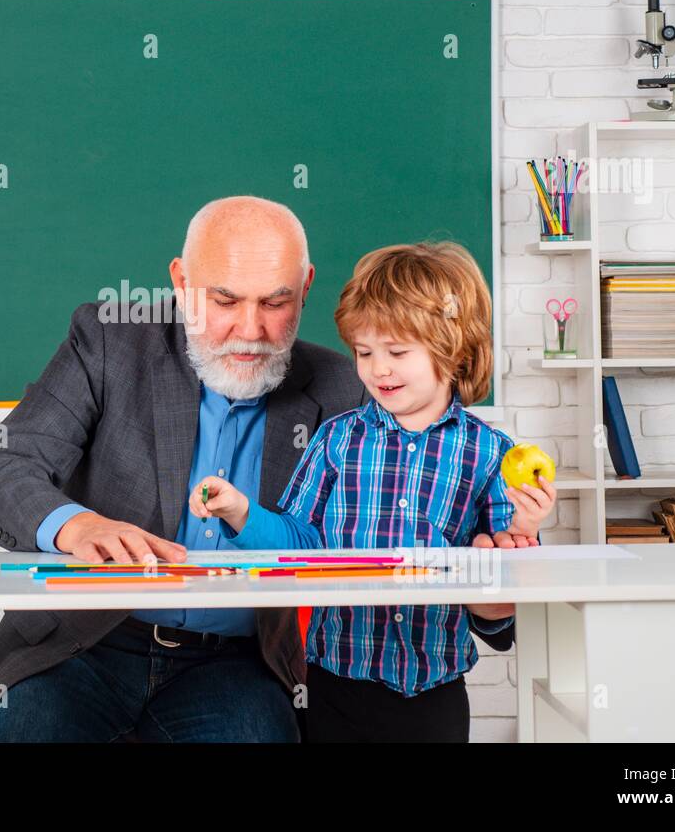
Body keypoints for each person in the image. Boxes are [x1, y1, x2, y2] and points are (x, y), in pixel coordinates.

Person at [191, 241, 555, 742]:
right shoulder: (336, 440)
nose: (378, 369)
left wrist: (522, 532)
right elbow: (299, 548)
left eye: (397, 352)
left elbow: (498, 611)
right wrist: (239, 511)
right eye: (364, 352)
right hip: (334, 685)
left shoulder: (489, 453)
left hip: (435, 694)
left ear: (453, 349)